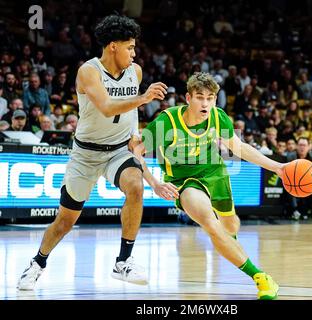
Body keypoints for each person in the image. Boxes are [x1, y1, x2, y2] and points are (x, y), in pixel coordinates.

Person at [17, 14, 175, 290]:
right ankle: (37, 263)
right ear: (113, 45)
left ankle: (123, 261)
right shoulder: (88, 71)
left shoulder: (134, 72)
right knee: (65, 221)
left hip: (118, 151)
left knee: (135, 187)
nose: (134, 53)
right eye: (130, 47)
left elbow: (130, 119)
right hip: (85, 155)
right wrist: (145, 97)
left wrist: (148, 170)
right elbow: (107, 106)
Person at [139, 72, 286, 300]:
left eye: (210, 98)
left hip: (215, 174)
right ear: (188, 98)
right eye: (200, 97)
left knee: (230, 226)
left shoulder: (218, 117)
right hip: (183, 181)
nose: (205, 102)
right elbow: (136, 151)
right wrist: (154, 183)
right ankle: (261, 277)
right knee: (211, 225)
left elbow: (240, 148)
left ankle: (231, 247)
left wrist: (277, 167)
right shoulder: (166, 121)